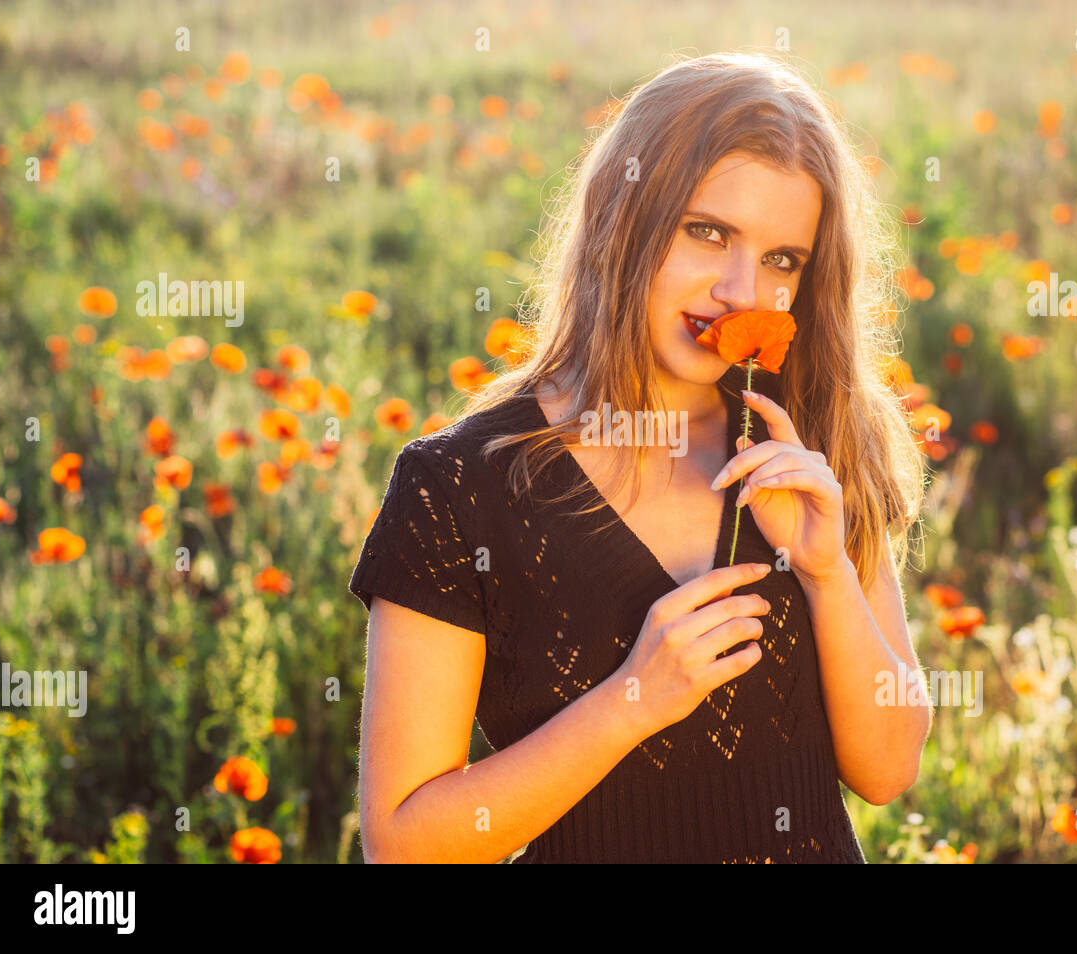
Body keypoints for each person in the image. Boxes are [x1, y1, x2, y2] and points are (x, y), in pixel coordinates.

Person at [349, 50, 930, 863]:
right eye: (707, 232)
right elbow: (406, 845)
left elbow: (889, 767)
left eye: (780, 261)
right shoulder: (459, 485)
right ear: (622, 219)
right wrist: (633, 699)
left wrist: (829, 572)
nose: (739, 288)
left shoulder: (811, 443)